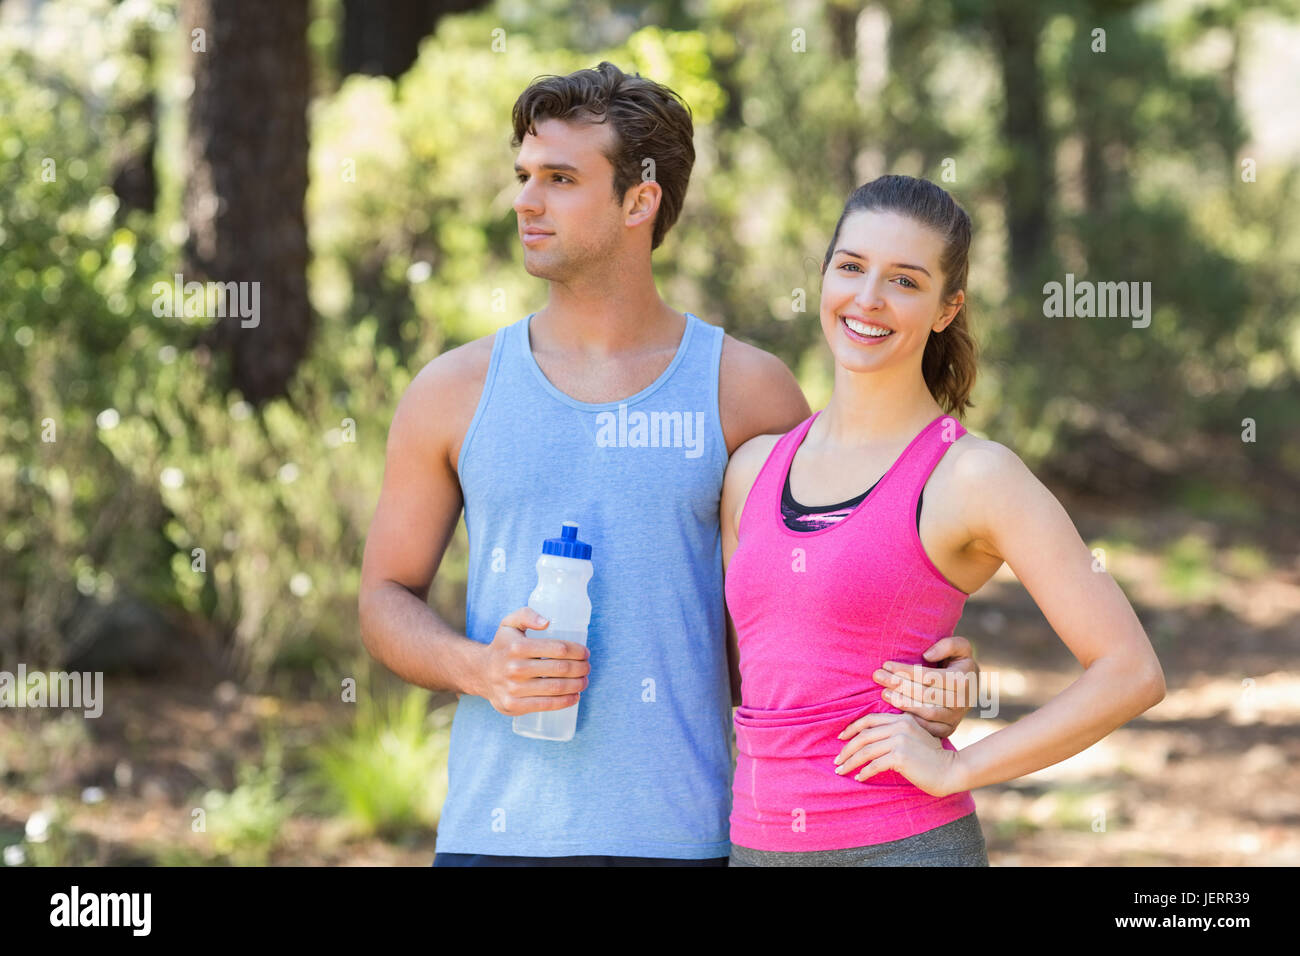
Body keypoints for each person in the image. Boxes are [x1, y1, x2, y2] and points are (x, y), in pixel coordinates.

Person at [358, 63, 980, 866]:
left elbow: (815, 612)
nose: (524, 201)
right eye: (522, 176)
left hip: (696, 840)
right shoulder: (452, 392)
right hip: (495, 836)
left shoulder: (747, 393)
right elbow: (383, 596)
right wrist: (476, 667)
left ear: (639, 202)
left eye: (559, 178)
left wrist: (926, 679)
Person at [720, 174, 1167, 866]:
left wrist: (959, 767)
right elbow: (756, 670)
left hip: (902, 845)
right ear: (825, 274)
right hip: (755, 844)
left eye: (904, 280)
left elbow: (1130, 671)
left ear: (945, 308)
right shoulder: (752, 470)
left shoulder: (971, 474)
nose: (868, 299)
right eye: (852, 267)